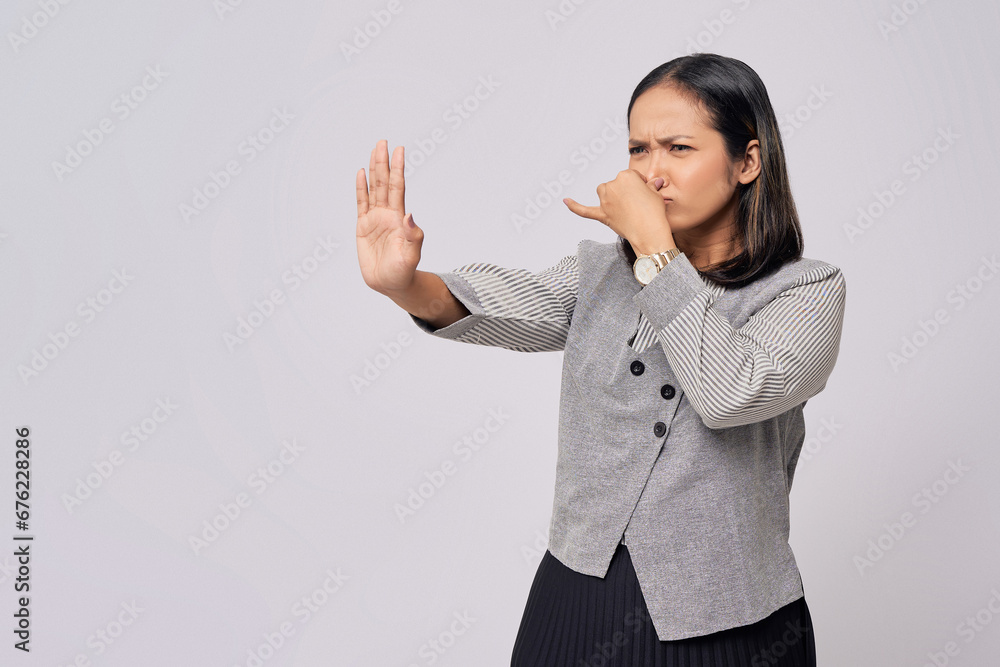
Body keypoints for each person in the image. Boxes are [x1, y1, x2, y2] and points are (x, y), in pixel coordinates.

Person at [356, 53, 845, 667]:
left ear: (748, 161)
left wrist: (657, 252)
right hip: (577, 597)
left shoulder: (806, 290)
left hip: (734, 619)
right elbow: (503, 302)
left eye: (678, 148)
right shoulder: (600, 273)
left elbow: (732, 394)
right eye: (639, 150)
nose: (652, 172)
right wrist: (402, 284)